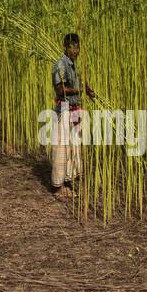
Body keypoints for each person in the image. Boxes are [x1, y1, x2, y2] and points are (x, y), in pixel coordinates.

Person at [50, 32, 96, 198]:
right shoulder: (60, 65)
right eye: (72, 48)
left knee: (74, 147)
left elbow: (79, 83)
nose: (75, 51)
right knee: (61, 149)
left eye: (77, 48)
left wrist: (87, 89)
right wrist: (80, 90)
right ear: (64, 48)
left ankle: (68, 181)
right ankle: (58, 187)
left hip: (75, 110)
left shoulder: (74, 65)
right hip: (64, 110)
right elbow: (60, 90)